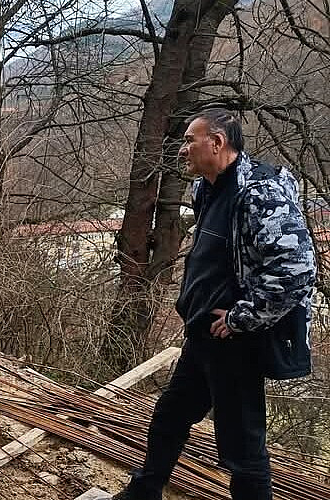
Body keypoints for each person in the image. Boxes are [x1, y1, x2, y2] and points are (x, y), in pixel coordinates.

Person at [113, 109, 316, 500]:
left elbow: (296, 269)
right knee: (171, 415)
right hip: (205, 334)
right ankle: (144, 492)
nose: (184, 150)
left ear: (218, 143)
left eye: (191, 140)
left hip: (236, 340)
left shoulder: (260, 192)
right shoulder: (208, 189)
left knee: (243, 449)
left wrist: (243, 317)